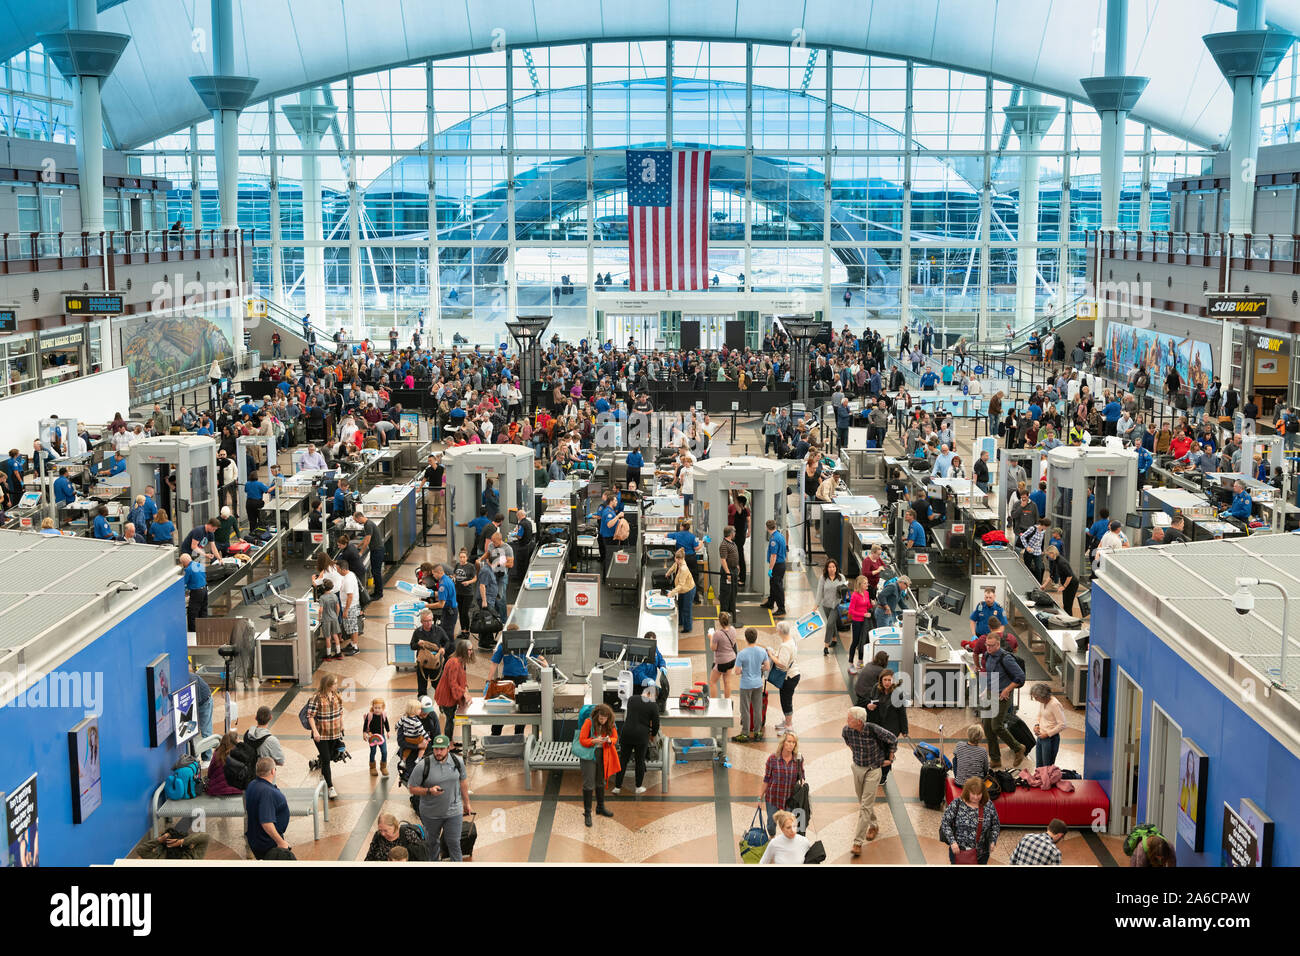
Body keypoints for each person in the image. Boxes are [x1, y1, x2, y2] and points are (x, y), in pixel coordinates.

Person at [408, 735, 473, 860]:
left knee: (454, 843)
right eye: (436, 749)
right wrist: (428, 791)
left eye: (441, 749)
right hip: (431, 813)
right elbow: (412, 788)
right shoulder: (423, 765)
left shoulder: (457, 761)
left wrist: (467, 803)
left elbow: (463, 782)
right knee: (432, 844)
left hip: (453, 811)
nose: (438, 752)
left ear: (448, 748)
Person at [843, 706, 897, 855]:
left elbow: (893, 738)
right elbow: (848, 742)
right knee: (863, 801)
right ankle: (874, 825)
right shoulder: (846, 730)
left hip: (874, 770)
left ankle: (857, 843)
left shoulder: (873, 729)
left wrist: (890, 758)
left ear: (859, 721)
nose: (847, 721)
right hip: (858, 768)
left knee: (865, 806)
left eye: (850, 718)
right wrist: (857, 753)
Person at [980, 630, 1026, 769]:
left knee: (996, 726)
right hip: (990, 693)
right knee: (987, 727)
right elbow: (990, 674)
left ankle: (1018, 748)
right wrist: (985, 690)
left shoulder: (1006, 658)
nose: (988, 648)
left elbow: (1020, 677)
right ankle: (995, 759)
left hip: (1002, 695)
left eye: (991, 645)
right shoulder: (987, 655)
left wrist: (1007, 689)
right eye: (987, 645)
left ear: (998, 644)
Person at [612, 679, 661, 795]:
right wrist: (653, 735)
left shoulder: (632, 699)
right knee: (639, 761)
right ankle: (638, 787)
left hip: (626, 733)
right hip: (641, 736)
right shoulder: (653, 705)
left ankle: (617, 787)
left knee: (623, 759)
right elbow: (656, 724)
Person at [939, 775, 1000, 864]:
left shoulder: (988, 804)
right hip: (959, 852)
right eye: (973, 794)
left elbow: (995, 824)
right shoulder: (957, 803)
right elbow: (945, 823)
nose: (976, 797)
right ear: (967, 792)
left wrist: (993, 841)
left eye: (979, 794)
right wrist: (952, 842)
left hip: (981, 855)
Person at [576, 703, 620, 827]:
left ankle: (600, 807)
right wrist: (593, 741)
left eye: (605, 719)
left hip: (603, 753)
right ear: (597, 716)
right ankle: (587, 813)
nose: (602, 721)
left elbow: (615, 737)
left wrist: (610, 740)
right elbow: (582, 740)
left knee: (601, 781)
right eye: (600, 718)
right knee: (589, 783)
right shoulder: (589, 722)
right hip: (589, 754)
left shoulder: (610, 723)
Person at [244, 757, 294, 860]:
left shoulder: (252, 785)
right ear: (272, 771)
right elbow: (266, 822)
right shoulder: (267, 792)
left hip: (256, 839)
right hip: (267, 843)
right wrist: (281, 842)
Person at [305, 673, 345, 800]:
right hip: (321, 735)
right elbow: (310, 716)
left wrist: (342, 725)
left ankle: (323, 769)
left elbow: (340, 712)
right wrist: (315, 732)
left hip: (334, 733)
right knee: (327, 759)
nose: (337, 685)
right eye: (335, 683)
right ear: (328, 685)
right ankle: (330, 787)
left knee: (332, 756)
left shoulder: (336, 695)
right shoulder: (316, 699)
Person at [865, 670, 906, 783]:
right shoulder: (876, 688)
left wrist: (904, 729)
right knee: (877, 749)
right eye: (885, 680)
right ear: (881, 680)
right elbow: (868, 700)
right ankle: (876, 770)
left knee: (888, 752)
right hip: (878, 724)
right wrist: (869, 705)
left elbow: (902, 712)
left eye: (889, 680)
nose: (887, 682)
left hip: (892, 727)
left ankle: (884, 776)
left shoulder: (897, 693)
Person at [761, 732, 805, 837]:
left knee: (789, 825)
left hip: (789, 799)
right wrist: (760, 797)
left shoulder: (798, 759)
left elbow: (802, 776)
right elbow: (766, 778)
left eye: (793, 742)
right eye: (789, 741)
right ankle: (772, 838)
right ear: (783, 743)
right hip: (773, 797)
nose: (791, 744)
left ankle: (786, 844)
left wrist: (802, 784)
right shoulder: (772, 759)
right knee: (771, 825)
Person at [733, 628, 769, 742]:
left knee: (745, 709)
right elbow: (767, 667)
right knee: (757, 708)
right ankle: (758, 732)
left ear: (746, 638)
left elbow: (737, 671)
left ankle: (745, 733)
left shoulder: (741, 654)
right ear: (756, 637)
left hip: (746, 685)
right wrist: (758, 668)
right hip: (758, 684)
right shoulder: (762, 651)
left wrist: (746, 670)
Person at [434, 639, 472, 745]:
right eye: (469, 650)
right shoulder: (454, 663)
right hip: (446, 695)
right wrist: (464, 693)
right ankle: (449, 744)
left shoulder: (459, 661)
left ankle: (450, 741)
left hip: (449, 694)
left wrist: (466, 690)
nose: (471, 652)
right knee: (449, 720)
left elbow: (462, 680)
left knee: (451, 719)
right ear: (463, 650)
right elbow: (453, 683)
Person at [769, 620, 801, 734]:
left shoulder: (785, 645)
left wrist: (771, 655)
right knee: (786, 699)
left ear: (780, 631)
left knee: (786, 701)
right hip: (794, 674)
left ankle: (788, 725)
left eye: (777, 630)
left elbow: (782, 664)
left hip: (789, 677)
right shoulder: (791, 640)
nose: (776, 631)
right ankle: (786, 721)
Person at [410, 608, 449, 700]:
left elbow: (447, 641)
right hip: (422, 664)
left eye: (430, 620)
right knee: (422, 687)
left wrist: (443, 648)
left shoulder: (439, 630)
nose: (428, 623)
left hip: (435, 663)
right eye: (425, 621)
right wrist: (418, 644)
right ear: (421, 621)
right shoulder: (417, 632)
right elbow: (412, 646)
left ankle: (442, 704)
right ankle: (422, 706)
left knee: (438, 685)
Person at [815, 559, 847, 656]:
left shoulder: (841, 577)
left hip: (836, 605)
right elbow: (819, 591)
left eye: (833, 567)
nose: (832, 569)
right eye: (829, 567)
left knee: (829, 624)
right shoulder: (823, 578)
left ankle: (826, 646)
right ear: (827, 568)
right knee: (831, 622)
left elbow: (845, 592)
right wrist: (816, 605)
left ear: (836, 568)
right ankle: (834, 639)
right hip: (826, 605)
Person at [1030, 683, 1065, 768]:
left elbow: (1062, 724)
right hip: (1041, 736)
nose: (1035, 699)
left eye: (1036, 697)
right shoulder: (1043, 702)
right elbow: (1040, 714)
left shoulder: (1055, 704)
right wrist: (1037, 725)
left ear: (1043, 696)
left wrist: (1047, 734)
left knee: (1047, 767)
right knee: (1039, 766)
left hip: (1050, 739)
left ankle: (1046, 781)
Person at [709, 612, 739, 700]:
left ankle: (713, 703)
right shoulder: (733, 629)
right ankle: (727, 702)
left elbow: (713, 648)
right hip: (732, 659)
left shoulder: (717, 634)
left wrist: (711, 637)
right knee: (727, 681)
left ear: (720, 622)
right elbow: (733, 643)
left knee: (712, 682)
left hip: (721, 662)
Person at [666, 547, 696, 634]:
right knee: (681, 606)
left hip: (688, 590)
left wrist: (672, 593)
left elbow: (680, 585)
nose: (677, 560)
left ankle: (687, 627)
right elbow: (673, 567)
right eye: (676, 558)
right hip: (682, 590)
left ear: (683, 558)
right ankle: (681, 622)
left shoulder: (684, 569)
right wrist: (668, 573)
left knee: (686, 609)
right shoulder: (677, 563)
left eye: (679, 559)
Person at [761, 518, 787, 615]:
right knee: (773, 584)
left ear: (767, 528)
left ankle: (781, 608)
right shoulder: (779, 535)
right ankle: (770, 602)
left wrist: (770, 569)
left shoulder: (774, 539)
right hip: (781, 564)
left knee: (777, 587)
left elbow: (773, 556)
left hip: (777, 566)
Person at [847, 576, 873, 673]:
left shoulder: (866, 593)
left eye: (867, 583)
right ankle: (850, 663)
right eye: (865, 583)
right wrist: (863, 614)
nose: (867, 585)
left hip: (865, 621)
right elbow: (851, 611)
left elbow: (867, 606)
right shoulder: (855, 595)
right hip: (857, 621)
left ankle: (860, 661)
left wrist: (871, 604)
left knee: (863, 640)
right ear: (860, 585)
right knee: (855, 641)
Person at [1042, 544, 1077, 614]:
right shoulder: (1055, 560)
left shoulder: (1061, 562)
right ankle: (1068, 619)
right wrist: (1044, 585)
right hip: (1066, 583)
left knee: (1068, 606)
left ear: (1053, 553)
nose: (1048, 557)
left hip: (1072, 584)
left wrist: (1063, 587)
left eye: (1048, 555)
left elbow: (1069, 576)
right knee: (1065, 604)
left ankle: (1070, 621)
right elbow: (1052, 574)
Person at [178, 553, 207, 632]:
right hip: (204, 590)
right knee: (203, 611)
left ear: (184, 563)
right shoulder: (199, 565)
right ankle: (204, 631)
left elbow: (184, 582)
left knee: (192, 614)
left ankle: (193, 633)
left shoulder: (188, 569)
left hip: (196, 592)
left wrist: (182, 592)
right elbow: (204, 576)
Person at [362, 697, 391, 777]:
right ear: (373, 706)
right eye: (375, 707)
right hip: (372, 736)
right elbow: (365, 724)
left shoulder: (383, 715)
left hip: (381, 736)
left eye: (379, 708)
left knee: (384, 751)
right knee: (373, 751)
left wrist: (388, 731)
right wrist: (364, 733)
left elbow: (386, 723)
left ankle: (383, 767)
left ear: (383, 708)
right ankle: (372, 767)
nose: (377, 709)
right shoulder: (370, 715)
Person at [717, 525, 740, 617]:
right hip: (728, 570)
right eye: (734, 532)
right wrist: (728, 573)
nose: (735, 533)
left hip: (734, 569)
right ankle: (724, 611)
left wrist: (737, 566)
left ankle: (732, 608)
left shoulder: (732, 543)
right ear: (730, 533)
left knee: (734, 590)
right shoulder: (724, 545)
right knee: (726, 591)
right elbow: (723, 560)